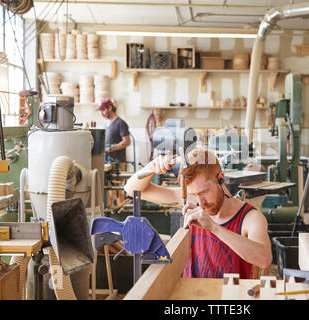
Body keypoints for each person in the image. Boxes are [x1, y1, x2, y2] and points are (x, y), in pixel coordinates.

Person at [124, 147, 272, 279]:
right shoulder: (191, 200)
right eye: (193, 194)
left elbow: (264, 259)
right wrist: (152, 167)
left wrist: (213, 227)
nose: (200, 202)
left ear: (221, 179)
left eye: (204, 192)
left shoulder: (250, 218)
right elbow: (131, 190)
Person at [96, 98, 131, 206]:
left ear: (110, 108)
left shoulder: (120, 123)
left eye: (103, 110)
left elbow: (126, 142)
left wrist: (111, 148)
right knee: (109, 191)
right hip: (108, 161)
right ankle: (111, 211)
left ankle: (120, 212)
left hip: (118, 161)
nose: (101, 113)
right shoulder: (106, 123)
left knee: (118, 190)